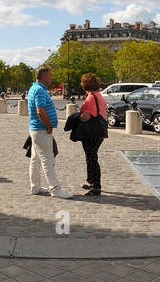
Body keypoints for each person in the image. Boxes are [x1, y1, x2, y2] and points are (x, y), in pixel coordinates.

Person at [22, 65, 62, 196]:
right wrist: (49, 125)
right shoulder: (39, 90)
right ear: (44, 76)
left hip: (36, 129)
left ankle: (35, 187)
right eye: (49, 75)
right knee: (47, 159)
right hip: (41, 129)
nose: (51, 78)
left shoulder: (35, 88)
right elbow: (41, 111)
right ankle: (55, 189)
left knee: (36, 159)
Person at [71, 73, 109, 196]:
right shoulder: (98, 95)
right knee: (90, 156)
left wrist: (76, 117)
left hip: (91, 132)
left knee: (92, 158)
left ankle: (96, 186)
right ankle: (90, 180)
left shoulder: (91, 98)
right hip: (99, 131)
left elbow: (86, 117)